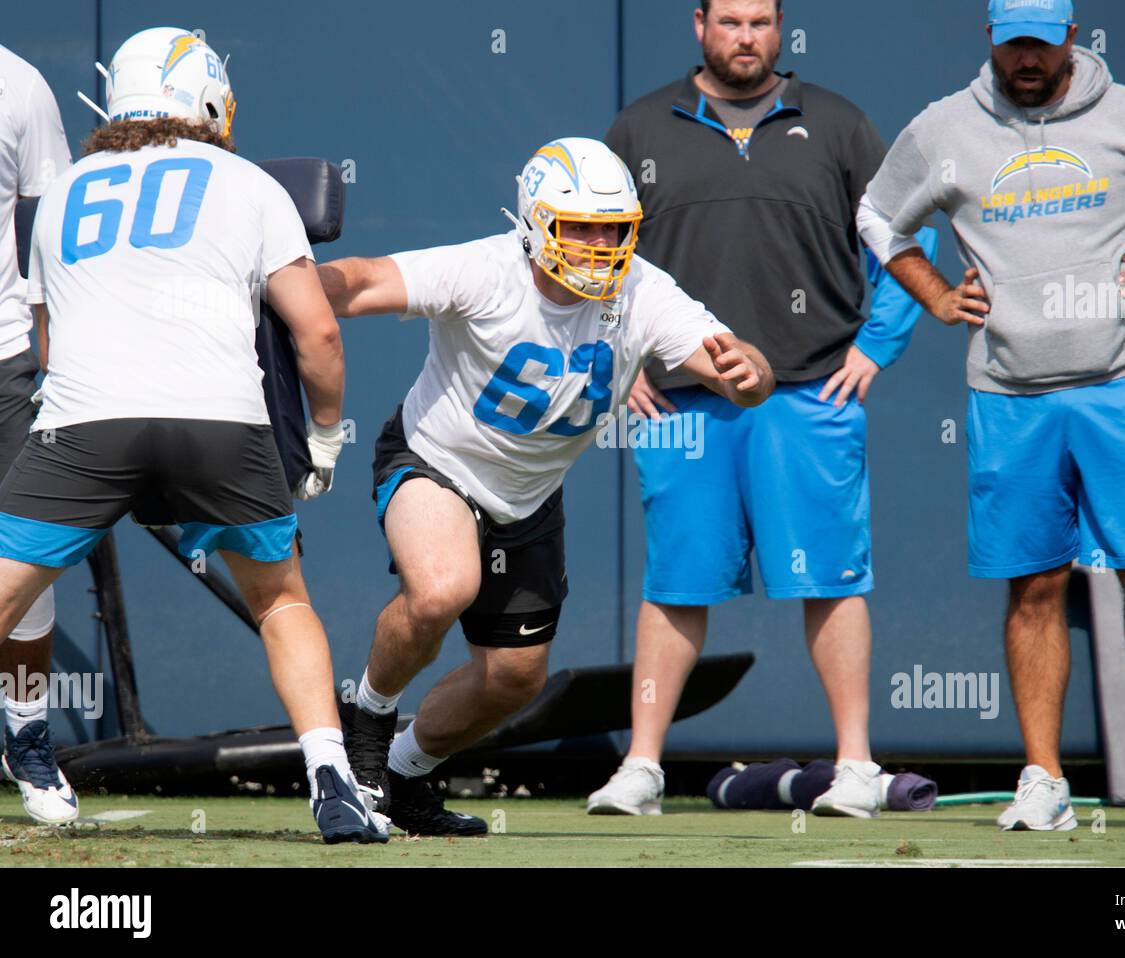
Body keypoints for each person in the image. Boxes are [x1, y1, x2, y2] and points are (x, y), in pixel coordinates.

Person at [857, 0, 1125, 830]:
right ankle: (1042, 779)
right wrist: (933, 292)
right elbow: (874, 213)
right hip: (1009, 398)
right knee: (1035, 586)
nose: (1028, 61)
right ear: (992, 44)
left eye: (1043, 44)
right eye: (1014, 47)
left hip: (1121, 388)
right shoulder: (943, 128)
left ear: (1073, 37)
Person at [320, 136, 774, 836]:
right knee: (443, 587)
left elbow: (737, 369)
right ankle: (369, 726)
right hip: (435, 459)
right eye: (581, 227)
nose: (598, 245)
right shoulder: (485, 270)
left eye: (613, 230)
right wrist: (277, 287)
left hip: (528, 499)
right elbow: (361, 279)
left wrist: (750, 375)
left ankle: (405, 777)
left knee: (514, 679)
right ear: (535, 223)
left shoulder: (643, 291)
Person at [2, 27, 387, 842]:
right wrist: (321, 441)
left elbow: (46, 344)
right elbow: (317, 333)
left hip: (86, 420)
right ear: (202, 96)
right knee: (283, 601)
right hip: (219, 421)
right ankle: (332, 775)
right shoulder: (245, 183)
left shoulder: (66, 192)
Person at [588, 0, 936, 818]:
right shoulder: (637, 129)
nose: (747, 37)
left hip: (810, 391)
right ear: (699, 23)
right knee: (676, 583)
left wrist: (874, 346)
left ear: (780, 29)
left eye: (762, 22)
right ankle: (641, 770)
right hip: (682, 400)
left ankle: (855, 766)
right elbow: (596, 256)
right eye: (731, 21)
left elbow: (906, 237)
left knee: (833, 578)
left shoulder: (842, 125)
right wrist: (618, 361)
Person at [0, 42, 75, 824]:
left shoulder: (20, 86)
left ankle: (25, 733)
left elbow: (54, 224)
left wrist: (59, 359)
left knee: (25, 562)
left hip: (5, 357)